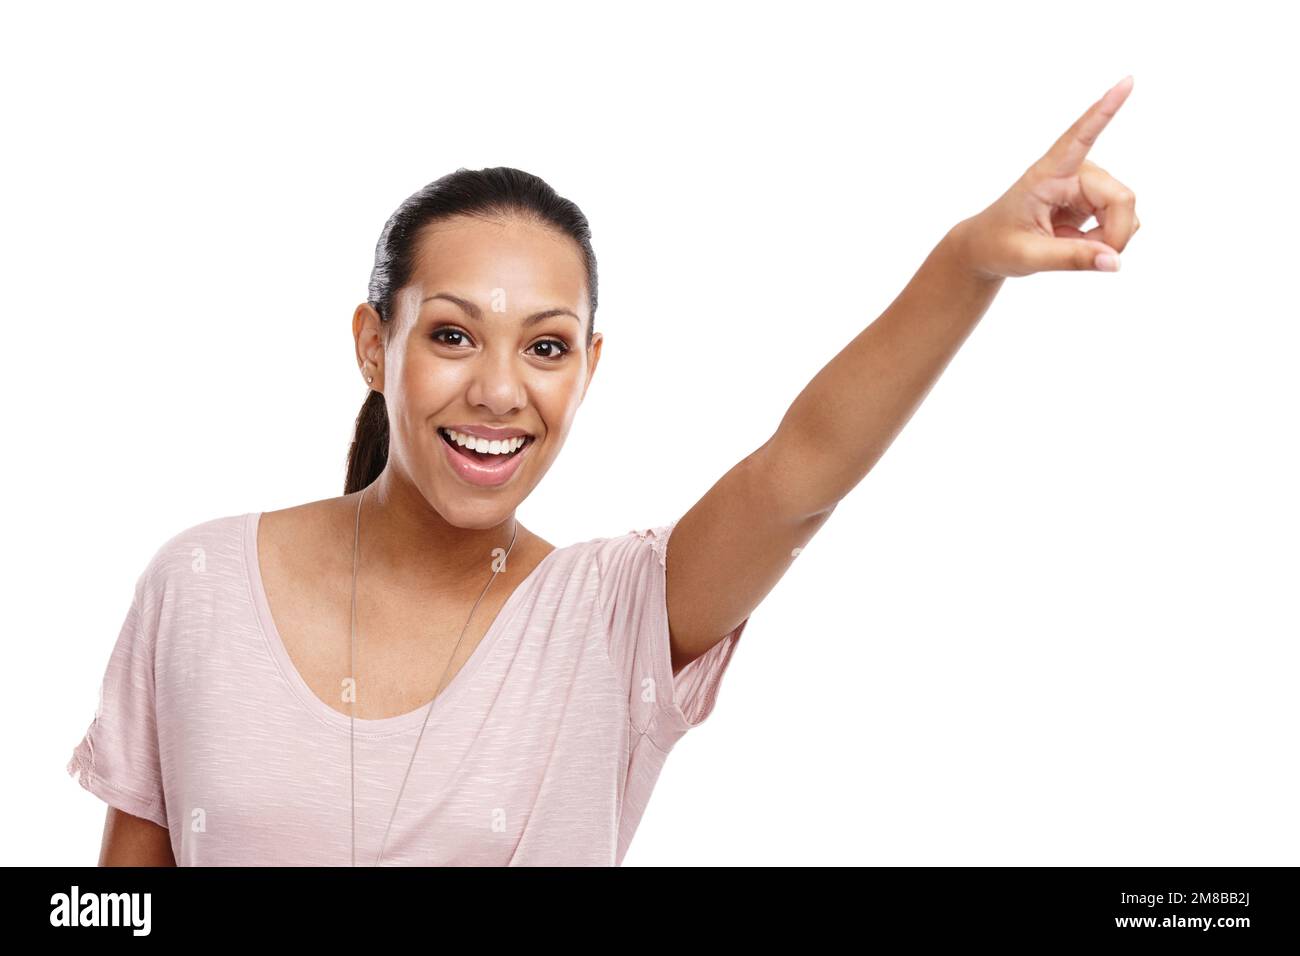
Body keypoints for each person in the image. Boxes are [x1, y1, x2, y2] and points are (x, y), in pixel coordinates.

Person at [67, 77, 1140, 866]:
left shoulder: (616, 618)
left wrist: (969, 261)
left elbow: (799, 471)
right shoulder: (198, 584)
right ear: (370, 343)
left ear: (587, 367)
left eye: (543, 346)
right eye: (450, 335)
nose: (498, 390)